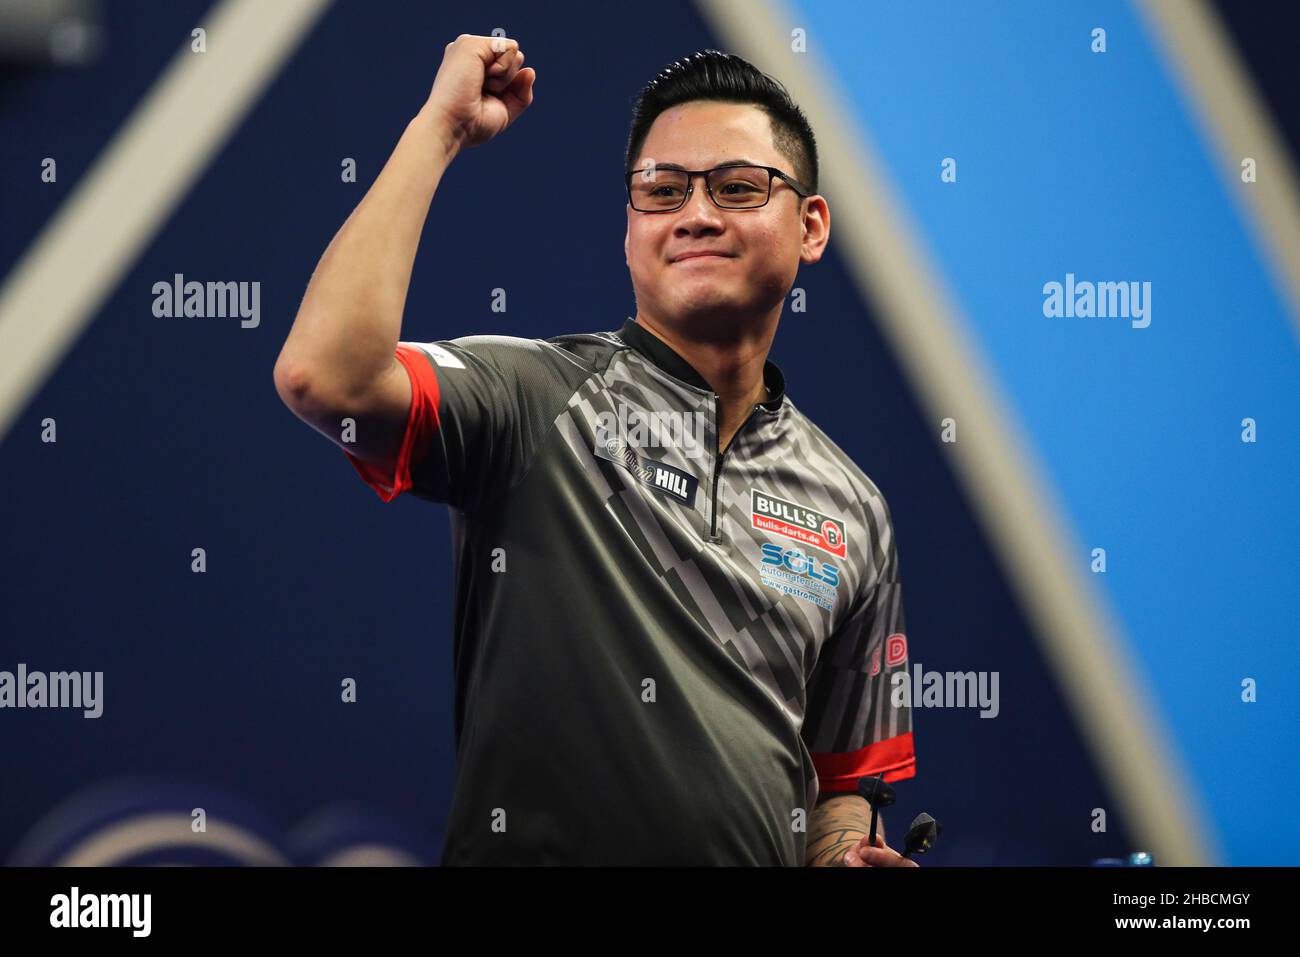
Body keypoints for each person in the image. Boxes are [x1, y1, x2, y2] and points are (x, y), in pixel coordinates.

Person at [274, 35, 917, 867]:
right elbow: (324, 375)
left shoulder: (852, 506)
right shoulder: (535, 398)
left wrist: (842, 854)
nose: (695, 213)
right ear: (629, 231)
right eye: (661, 190)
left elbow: (843, 787)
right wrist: (439, 127)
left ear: (812, 225)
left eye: (737, 187)